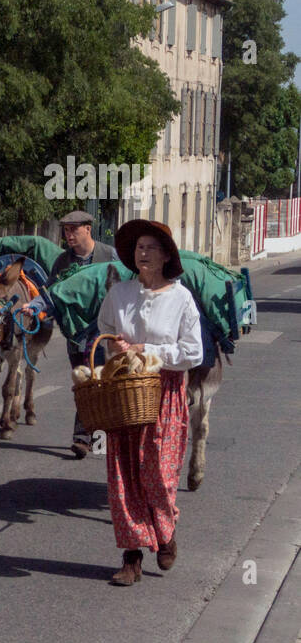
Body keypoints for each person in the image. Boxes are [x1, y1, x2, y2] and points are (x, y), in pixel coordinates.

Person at [97, 219, 201, 586]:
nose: (142, 253)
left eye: (150, 248)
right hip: (126, 391)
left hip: (164, 392)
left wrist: (149, 350)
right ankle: (132, 558)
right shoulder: (119, 293)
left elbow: (193, 352)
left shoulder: (181, 298)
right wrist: (115, 345)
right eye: (138, 248)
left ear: (166, 255)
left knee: (157, 470)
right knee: (124, 475)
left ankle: (166, 531)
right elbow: (105, 330)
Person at [51, 211, 119, 458]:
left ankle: (86, 437)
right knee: (83, 385)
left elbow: (123, 287)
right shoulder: (62, 262)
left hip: (103, 334)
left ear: (88, 229)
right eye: (66, 230)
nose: (68, 235)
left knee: (98, 383)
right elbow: (53, 294)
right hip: (75, 336)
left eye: (73, 230)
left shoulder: (109, 255)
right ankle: (89, 436)